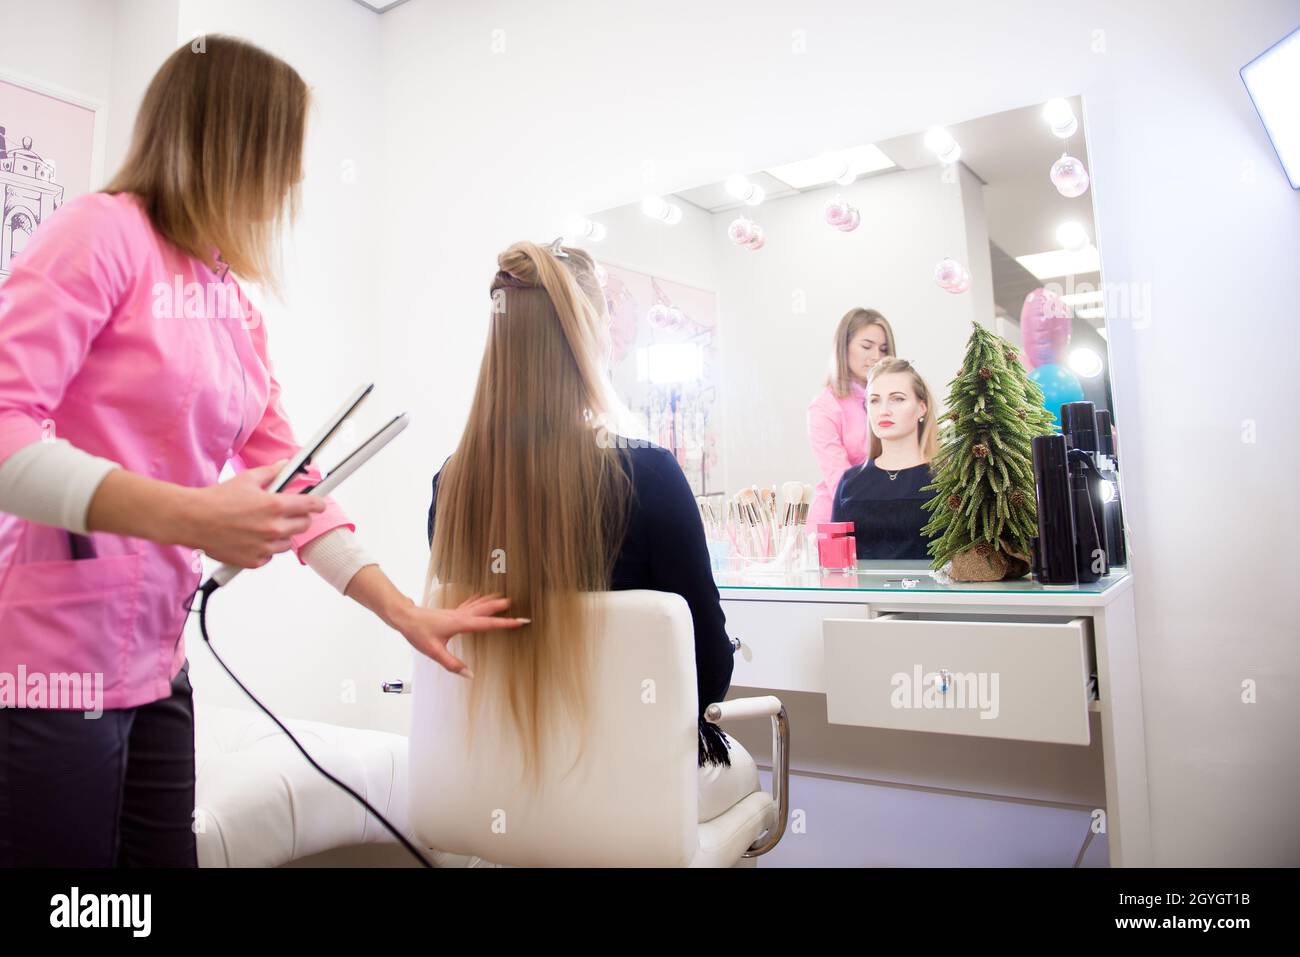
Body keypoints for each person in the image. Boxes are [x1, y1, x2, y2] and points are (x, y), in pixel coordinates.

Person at [0, 36, 524, 868]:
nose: (293, 180)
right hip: (48, 664)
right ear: (229, 140)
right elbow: (6, 426)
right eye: (284, 152)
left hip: (156, 664)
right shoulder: (98, 235)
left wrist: (404, 612)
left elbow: (298, 482)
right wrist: (195, 514)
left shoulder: (228, 304)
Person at [425, 240, 739, 779]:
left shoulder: (453, 483)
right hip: (633, 779)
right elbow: (708, 670)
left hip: (498, 776)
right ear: (592, 335)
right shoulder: (650, 474)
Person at [832, 357, 940, 560]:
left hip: (933, 592)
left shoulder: (947, 481)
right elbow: (837, 568)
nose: (884, 410)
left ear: (921, 408)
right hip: (864, 592)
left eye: (897, 399)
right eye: (874, 400)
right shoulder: (850, 483)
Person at [806, 307, 898, 526]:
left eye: (883, 349)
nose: (876, 356)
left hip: (888, 512)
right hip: (839, 520)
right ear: (843, 347)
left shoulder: (895, 399)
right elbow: (841, 481)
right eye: (867, 346)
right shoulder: (824, 407)